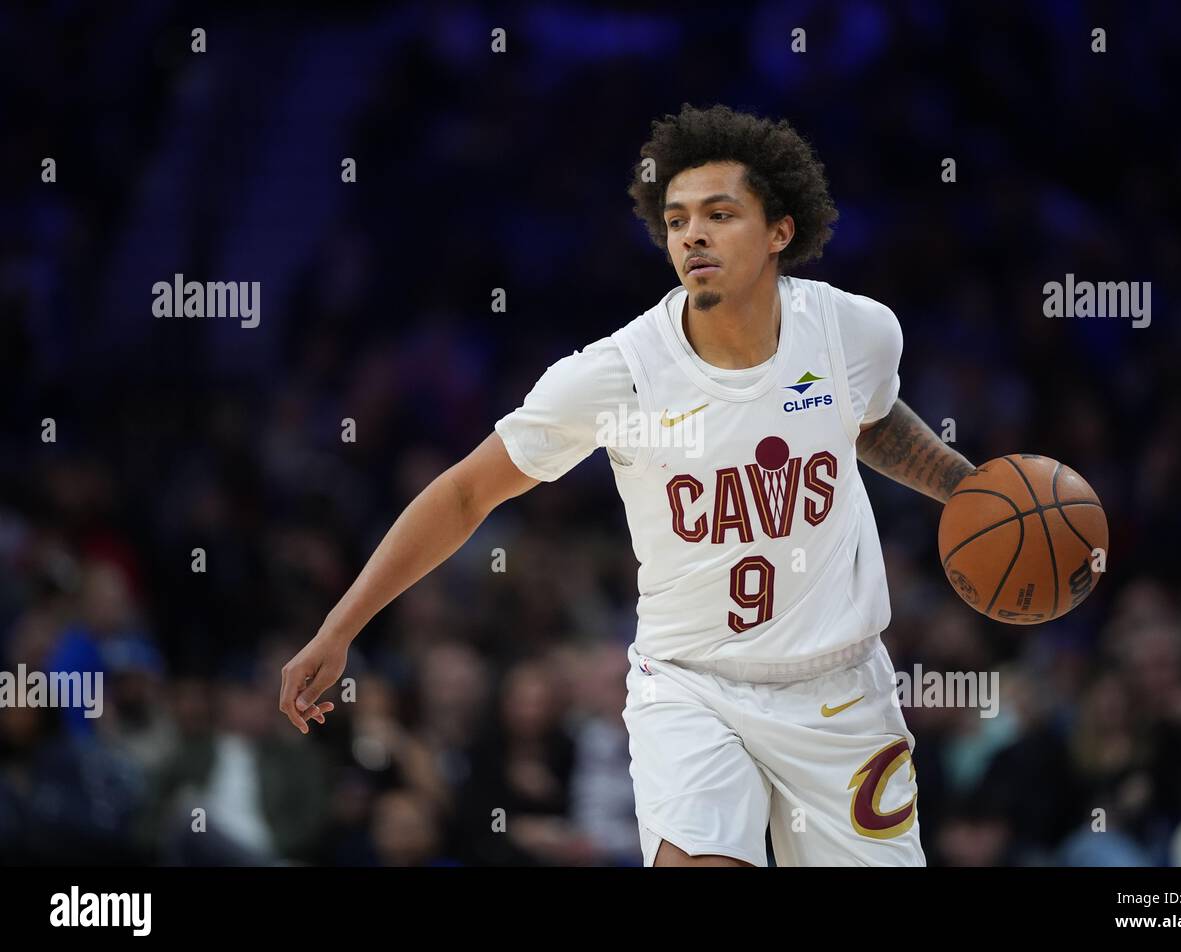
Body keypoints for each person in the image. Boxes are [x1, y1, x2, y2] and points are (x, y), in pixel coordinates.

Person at [280, 103, 974, 866]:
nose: (693, 235)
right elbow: (466, 493)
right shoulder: (617, 374)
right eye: (676, 220)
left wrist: (967, 492)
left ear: (782, 229)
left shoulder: (857, 332)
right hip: (693, 686)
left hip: (840, 684)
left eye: (719, 213)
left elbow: (869, 419)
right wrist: (339, 627)